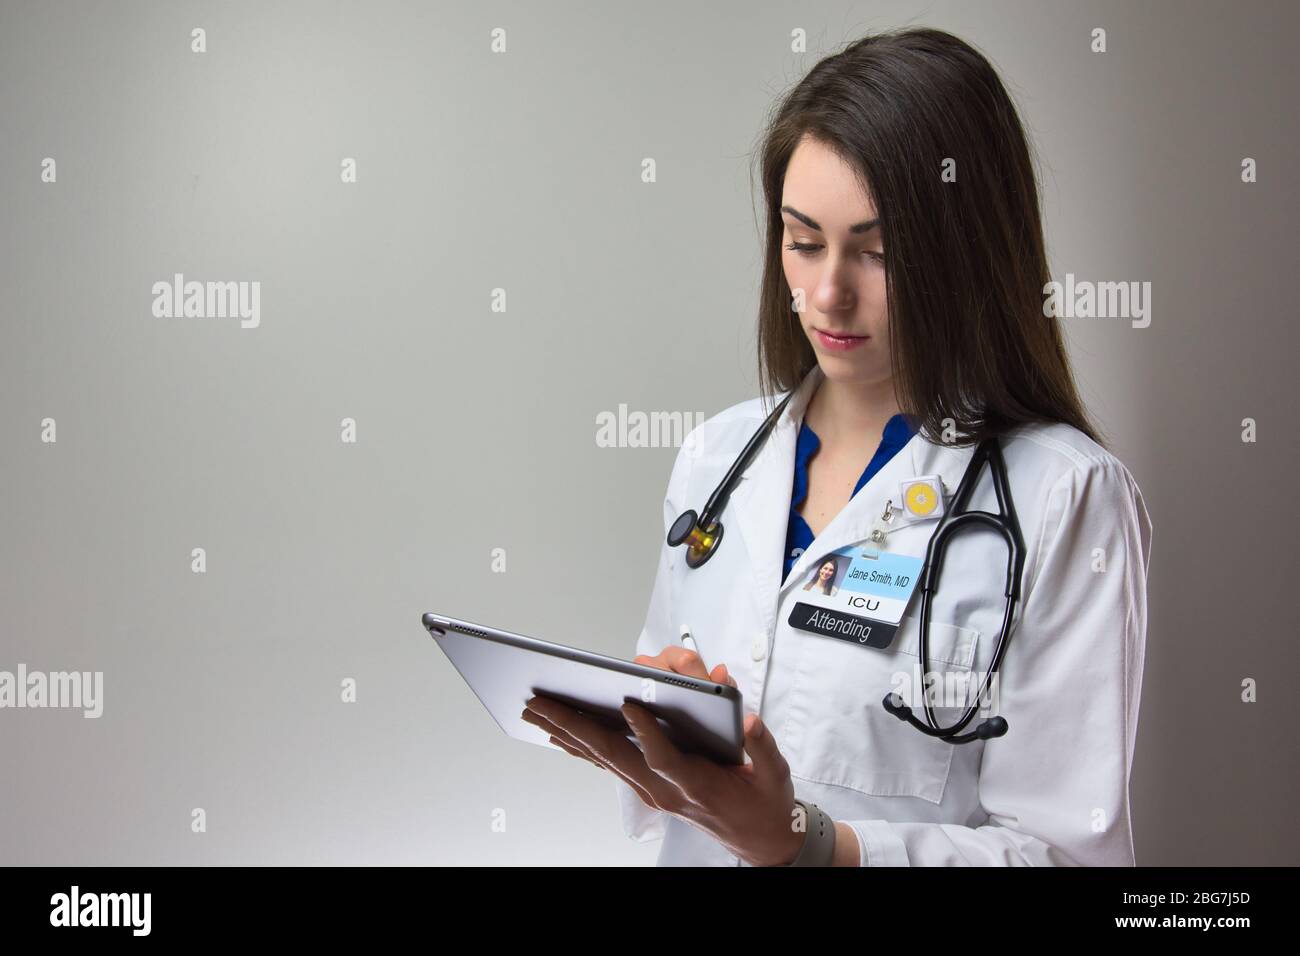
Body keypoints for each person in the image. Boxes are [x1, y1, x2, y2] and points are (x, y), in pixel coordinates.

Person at [521, 27, 1152, 866]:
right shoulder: (716, 460)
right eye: (803, 240)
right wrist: (653, 735)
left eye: (878, 251)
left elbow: (1070, 856)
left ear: (968, 257)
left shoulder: (1063, 499)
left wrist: (811, 847)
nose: (826, 294)